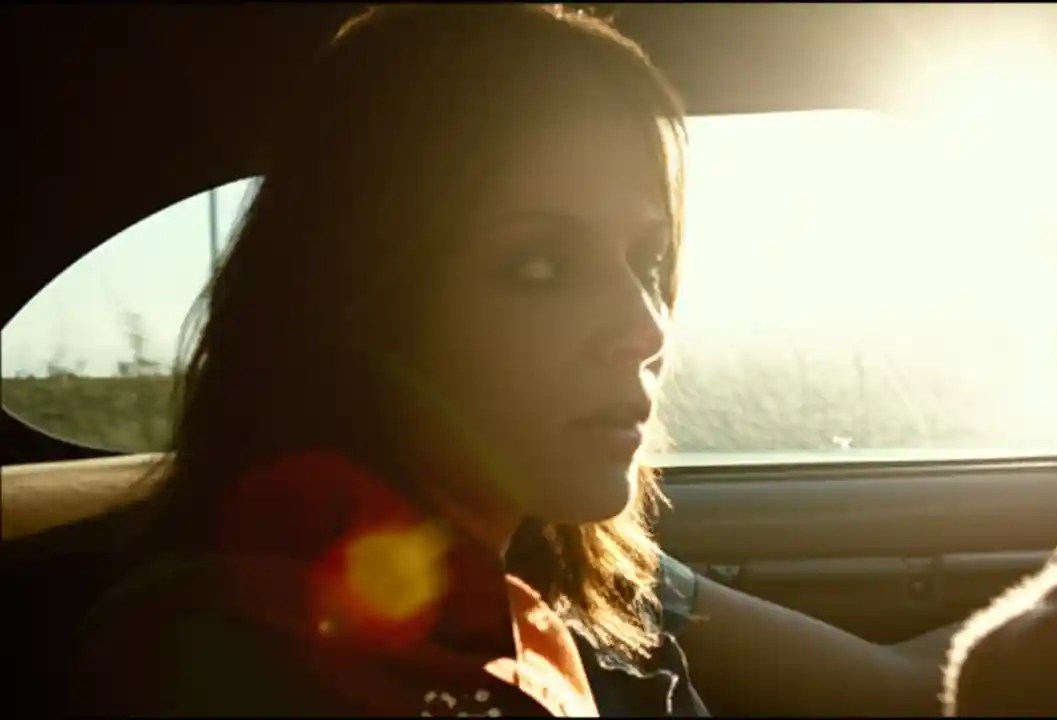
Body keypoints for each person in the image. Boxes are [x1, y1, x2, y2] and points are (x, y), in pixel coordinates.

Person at [68, 4, 953, 717]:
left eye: (648, 261)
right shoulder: (245, 661)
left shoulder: (565, 568)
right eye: (539, 267)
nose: (643, 327)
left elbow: (902, 692)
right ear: (359, 304)